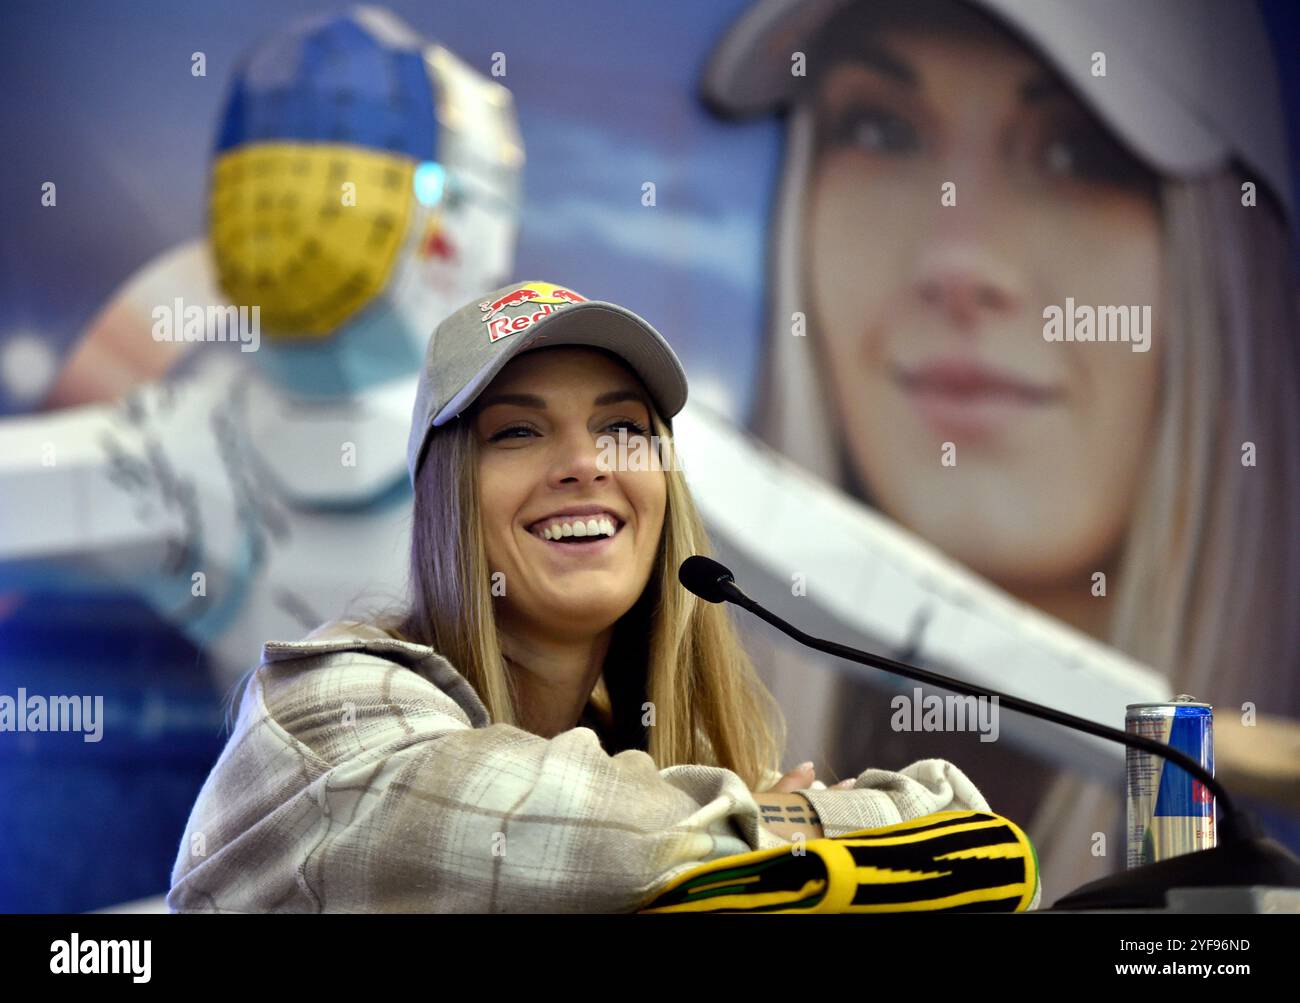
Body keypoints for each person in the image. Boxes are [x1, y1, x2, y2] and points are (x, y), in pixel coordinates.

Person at [701, 0, 1300, 901]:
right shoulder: (676, 641)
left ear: (1225, 263)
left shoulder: (1195, 829)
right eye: (881, 129)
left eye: (1073, 152)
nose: (959, 257)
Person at [166, 279, 1008, 913]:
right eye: (519, 431)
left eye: (621, 429)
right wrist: (787, 826)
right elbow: (534, 827)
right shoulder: (327, 709)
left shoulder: (683, 777)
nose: (587, 463)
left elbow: (973, 826)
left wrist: (760, 828)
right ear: (448, 500)